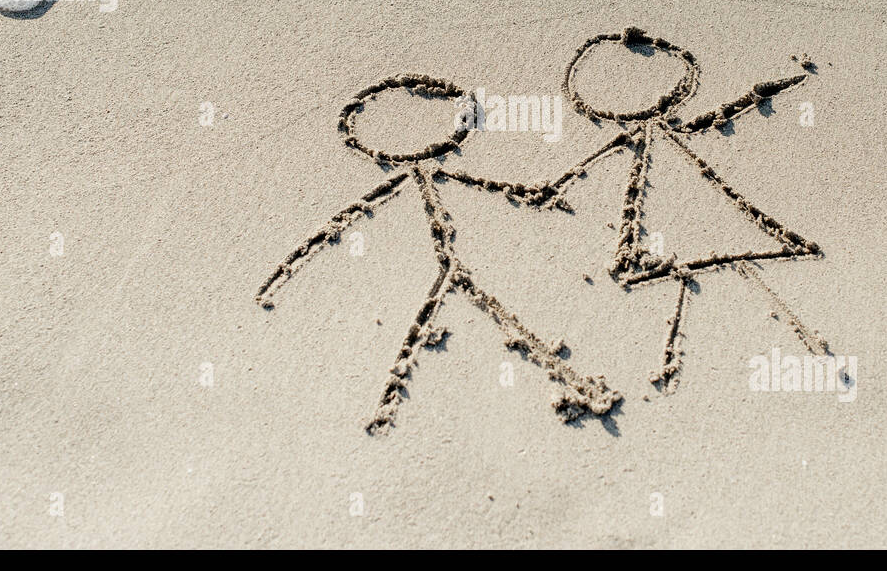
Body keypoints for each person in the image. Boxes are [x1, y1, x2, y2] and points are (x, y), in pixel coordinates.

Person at [255, 73, 619, 433]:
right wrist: (535, 195)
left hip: (446, 256)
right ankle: (569, 380)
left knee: (469, 303)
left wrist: (283, 276)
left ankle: (391, 398)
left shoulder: (420, 171)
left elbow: (345, 219)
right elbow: (346, 220)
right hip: (439, 257)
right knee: (475, 304)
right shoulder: (422, 172)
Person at [536, 27, 828, 391]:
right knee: (718, 271)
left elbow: (707, 120)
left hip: (683, 209)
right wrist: (756, 97)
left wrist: (756, 96)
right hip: (687, 208)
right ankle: (678, 360)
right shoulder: (650, 133)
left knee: (703, 273)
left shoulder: (643, 135)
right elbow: (709, 120)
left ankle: (672, 363)